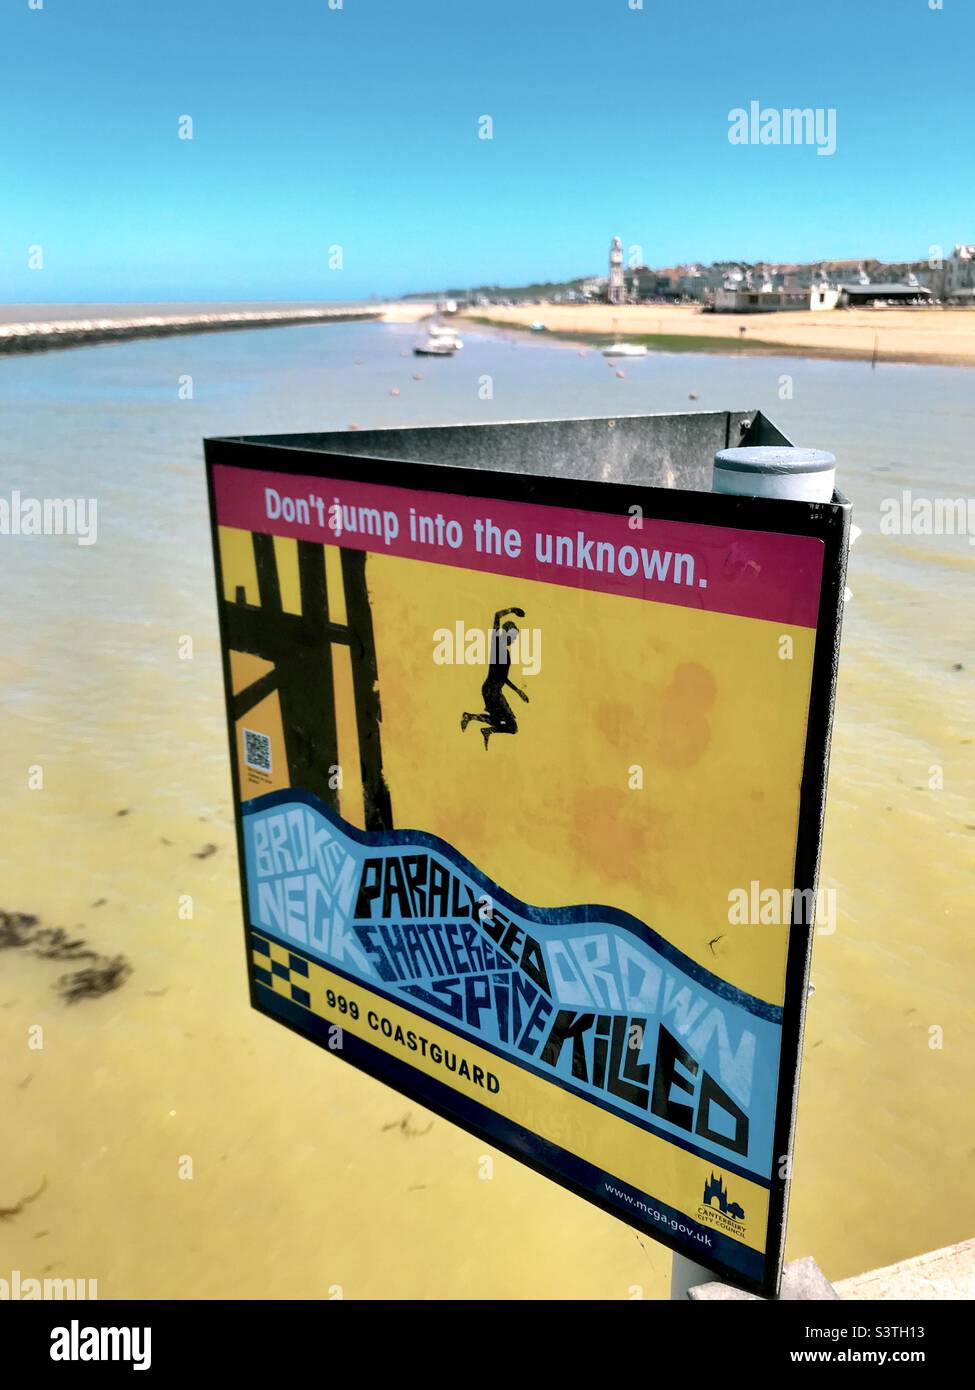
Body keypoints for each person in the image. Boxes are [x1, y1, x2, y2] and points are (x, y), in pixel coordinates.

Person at [460, 607, 529, 750]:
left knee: (502, 723)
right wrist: (512, 610)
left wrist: (518, 691)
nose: (514, 640)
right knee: (512, 726)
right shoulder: (496, 643)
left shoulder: (506, 652)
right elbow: (497, 615)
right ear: (507, 633)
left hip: (494, 691)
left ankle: (472, 719)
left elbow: (503, 677)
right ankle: (479, 724)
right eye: (514, 636)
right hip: (492, 691)